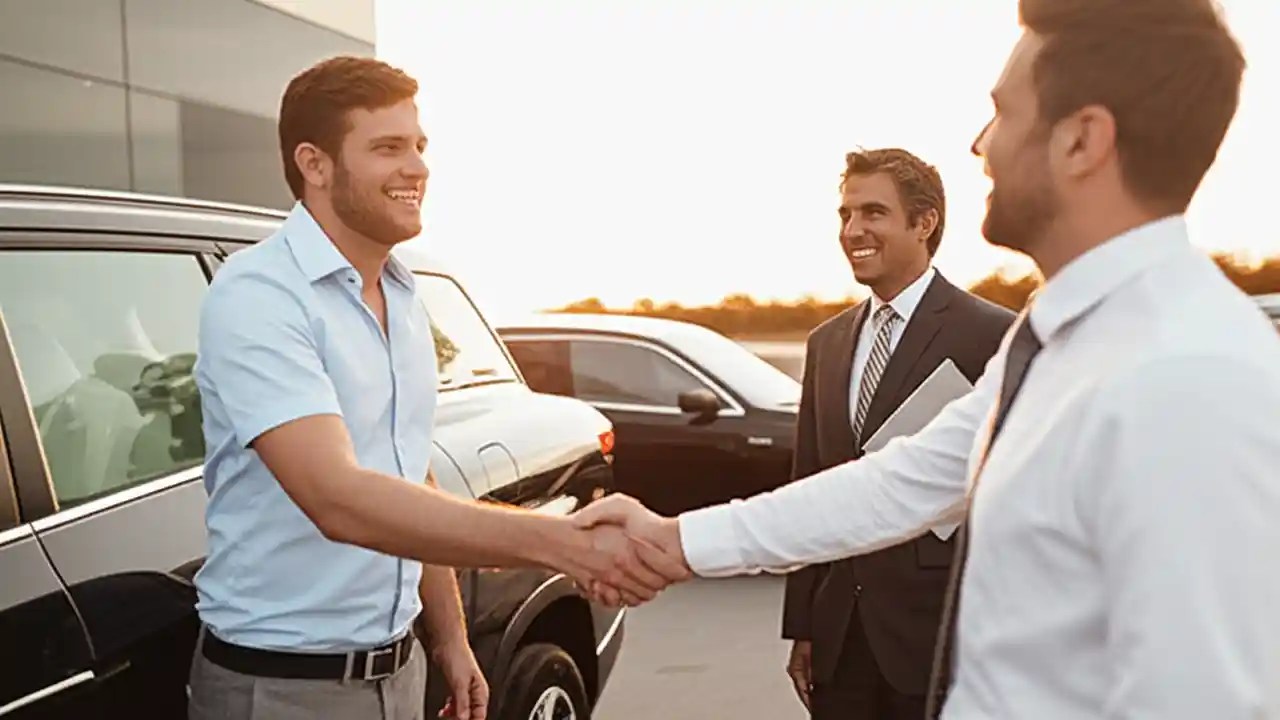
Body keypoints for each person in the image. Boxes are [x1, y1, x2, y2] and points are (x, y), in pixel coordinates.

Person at [575, 0, 1280, 717]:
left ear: (1082, 142)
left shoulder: (1190, 375)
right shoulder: (1063, 339)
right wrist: (676, 540)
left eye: (1003, 113)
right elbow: (900, 483)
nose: (982, 145)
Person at [188, 56, 678, 720]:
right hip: (283, 688)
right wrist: (563, 542)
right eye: (388, 147)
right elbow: (338, 500)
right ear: (315, 164)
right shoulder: (258, 294)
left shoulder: (403, 291)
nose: (417, 167)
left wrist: (447, 639)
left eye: (419, 146)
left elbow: (407, 469)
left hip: (399, 669)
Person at [782, 148, 1013, 719]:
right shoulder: (826, 343)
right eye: (845, 215)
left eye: (873, 213)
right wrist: (804, 625)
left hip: (941, 639)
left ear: (924, 222)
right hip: (840, 641)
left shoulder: (993, 335)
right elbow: (809, 483)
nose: (853, 230)